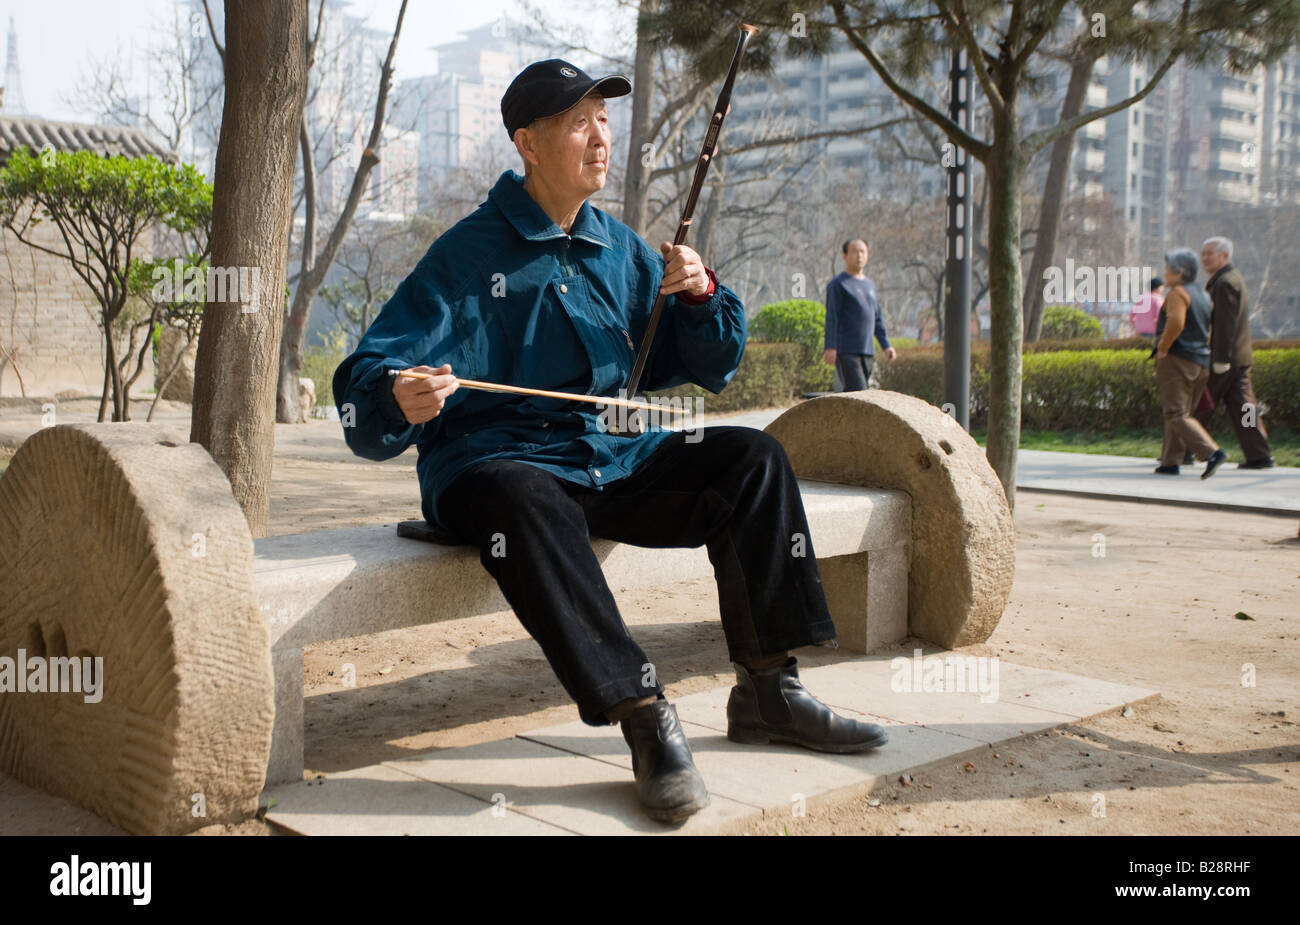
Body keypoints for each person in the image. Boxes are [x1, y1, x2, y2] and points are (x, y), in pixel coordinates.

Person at [332, 59, 887, 825]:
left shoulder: (617, 248)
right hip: (493, 471)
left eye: (603, 118)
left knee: (751, 458)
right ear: (527, 143)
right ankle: (644, 715)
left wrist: (699, 297)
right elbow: (366, 377)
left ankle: (770, 688)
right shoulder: (467, 257)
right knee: (527, 494)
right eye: (578, 122)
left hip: (604, 457)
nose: (600, 137)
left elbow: (703, 365)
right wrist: (396, 393)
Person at [1196, 236, 1275, 469]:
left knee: (1198, 404)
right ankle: (1260, 455)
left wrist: (1220, 359)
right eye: (1203, 253)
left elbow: (1224, 325)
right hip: (1238, 358)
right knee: (1246, 409)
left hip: (1225, 360)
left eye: (1210, 253)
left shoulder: (1225, 283)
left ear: (1225, 256)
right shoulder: (1229, 279)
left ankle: (1183, 450)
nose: (1205, 258)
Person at [1152, 248, 1226, 478]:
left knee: (1175, 413)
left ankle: (1212, 452)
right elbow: (1210, 327)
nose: (1165, 273)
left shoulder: (1178, 294)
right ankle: (1170, 462)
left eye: (1168, 269)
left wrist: (1163, 348)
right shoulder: (1204, 295)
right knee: (1181, 414)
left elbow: (1176, 322)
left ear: (1179, 272)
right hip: (1201, 360)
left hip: (1178, 359)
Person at [823, 238, 897, 390]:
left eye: (863, 251)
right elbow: (832, 317)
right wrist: (830, 347)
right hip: (846, 350)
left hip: (867, 350)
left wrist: (886, 345)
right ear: (845, 256)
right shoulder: (838, 284)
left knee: (854, 396)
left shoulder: (869, 285)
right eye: (854, 251)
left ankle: (839, 414)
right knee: (859, 391)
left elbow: (877, 318)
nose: (859, 256)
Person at [1131, 275, 1164, 340]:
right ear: (1158, 288)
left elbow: (1132, 315)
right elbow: (1160, 316)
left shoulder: (1141, 299)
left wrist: (1136, 325)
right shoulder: (1158, 299)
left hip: (1139, 332)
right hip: (1153, 332)